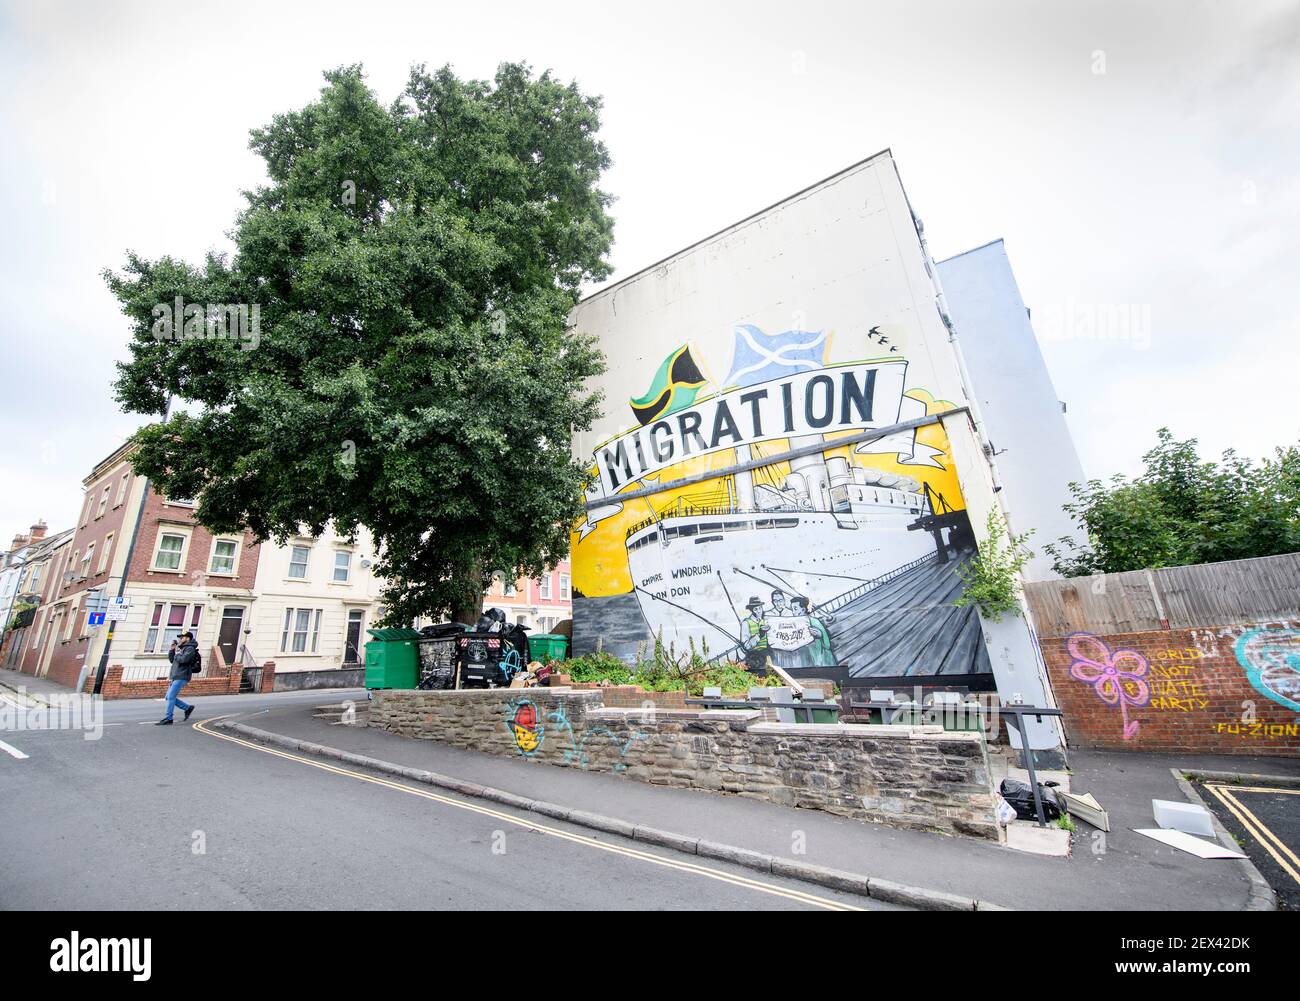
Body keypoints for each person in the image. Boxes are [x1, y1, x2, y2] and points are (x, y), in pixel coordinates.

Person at [157, 630, 200, 725]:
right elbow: (173, 660)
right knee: (168, 697)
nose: (180, 639)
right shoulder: (182, 648)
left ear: (187, 638)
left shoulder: (190, 649)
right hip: (176, 675)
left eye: (182, 637)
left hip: (182, 675)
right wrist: (172, 650)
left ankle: (169, 718)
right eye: (180, 638)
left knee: (171, 696)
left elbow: (184, 660)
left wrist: (177, 655)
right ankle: (187, 708)